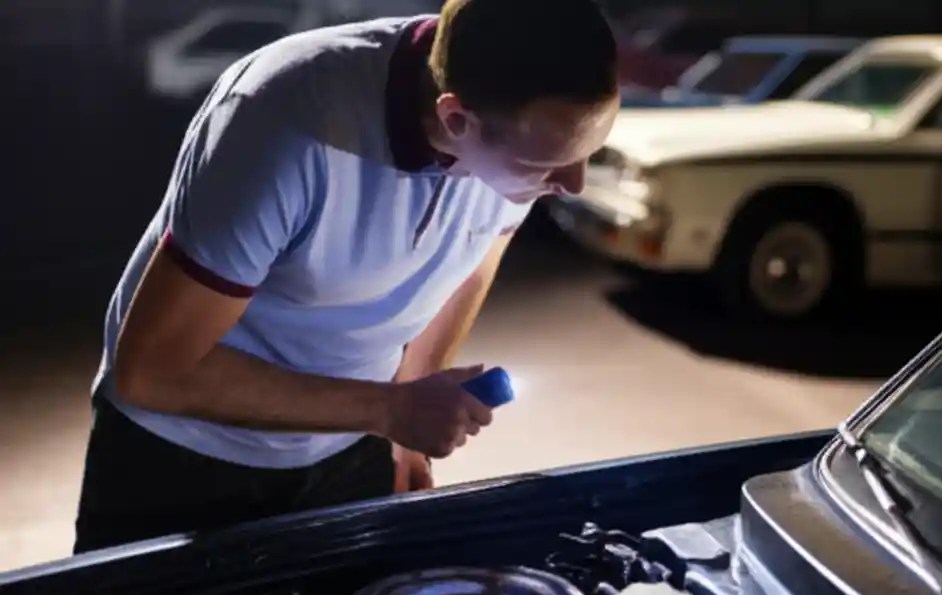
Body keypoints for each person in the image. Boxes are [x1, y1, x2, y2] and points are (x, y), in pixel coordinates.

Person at [73, 0, 620, 553]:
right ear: (456, 119)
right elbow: (154, 372)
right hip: (182, 462)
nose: (574, 182)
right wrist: (391, 409)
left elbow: (469, 267)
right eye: (549, 163)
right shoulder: (283, 122)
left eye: (589, 151)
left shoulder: (515, 126)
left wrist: (409, 414)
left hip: (355, 442)